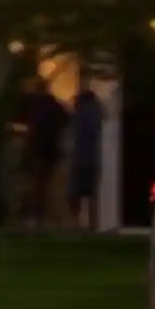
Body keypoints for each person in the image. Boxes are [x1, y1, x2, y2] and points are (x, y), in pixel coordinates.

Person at [19, 76, 69, 228]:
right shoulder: (54, 105)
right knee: (48, 185)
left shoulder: (34, 105)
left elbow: (30, 126)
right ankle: (48, 218)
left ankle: (39, 217)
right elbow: (66, 121)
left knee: (37, 184)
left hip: (39, 149)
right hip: (51, 149)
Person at [68, 80, 104, 229]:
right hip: (93, 159)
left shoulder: (80, 114)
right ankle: (92, 225)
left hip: (80, 159)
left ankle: (75, 224)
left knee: (75, 195)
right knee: (91, 194)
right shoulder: (96, 113)